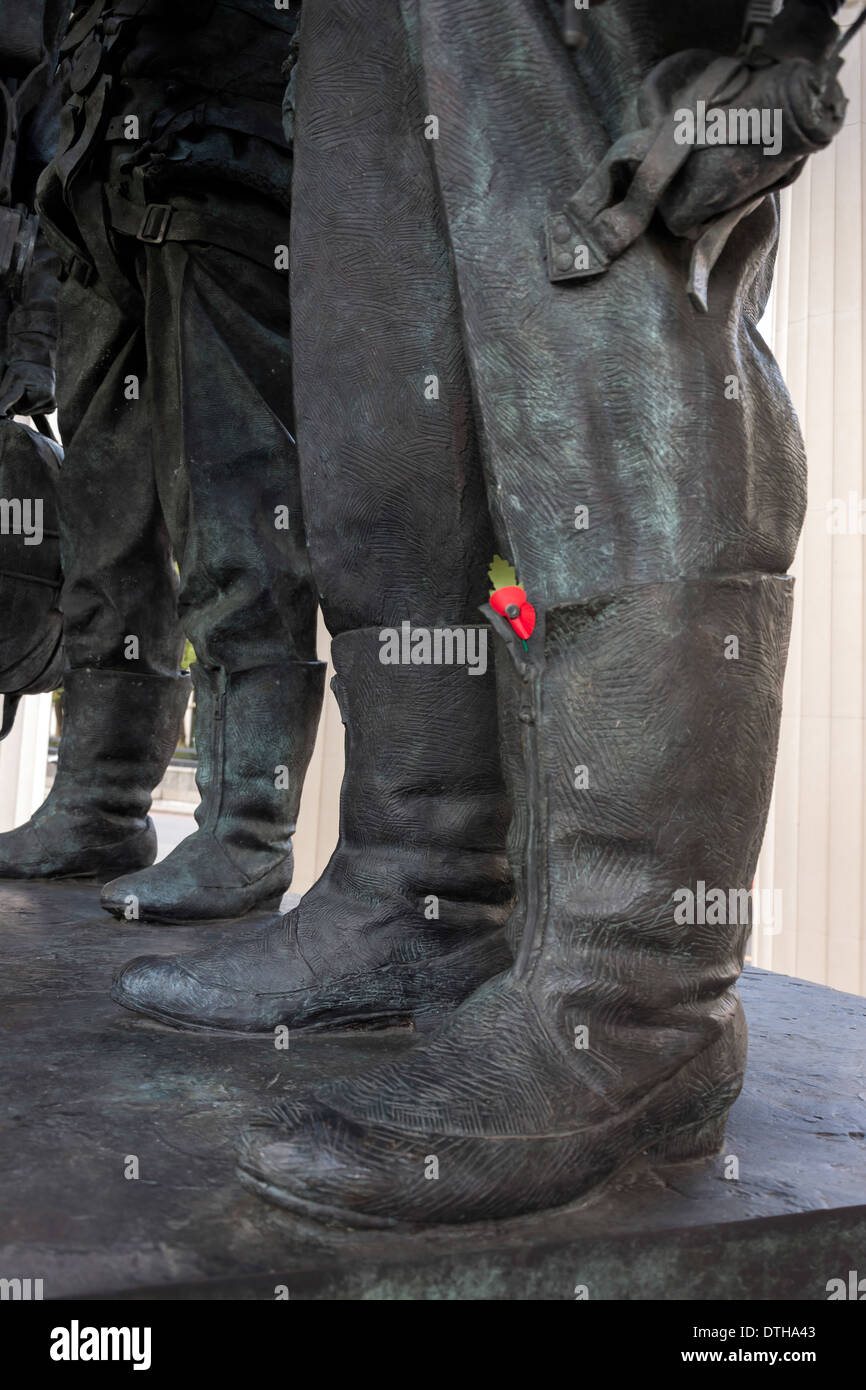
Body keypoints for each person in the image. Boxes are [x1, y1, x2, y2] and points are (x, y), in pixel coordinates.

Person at [0, 0, 324, 923]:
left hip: (227, 161)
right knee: (107, 518)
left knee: (233, 499)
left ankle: (245, 831)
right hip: (97, 177)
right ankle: (100, 802)